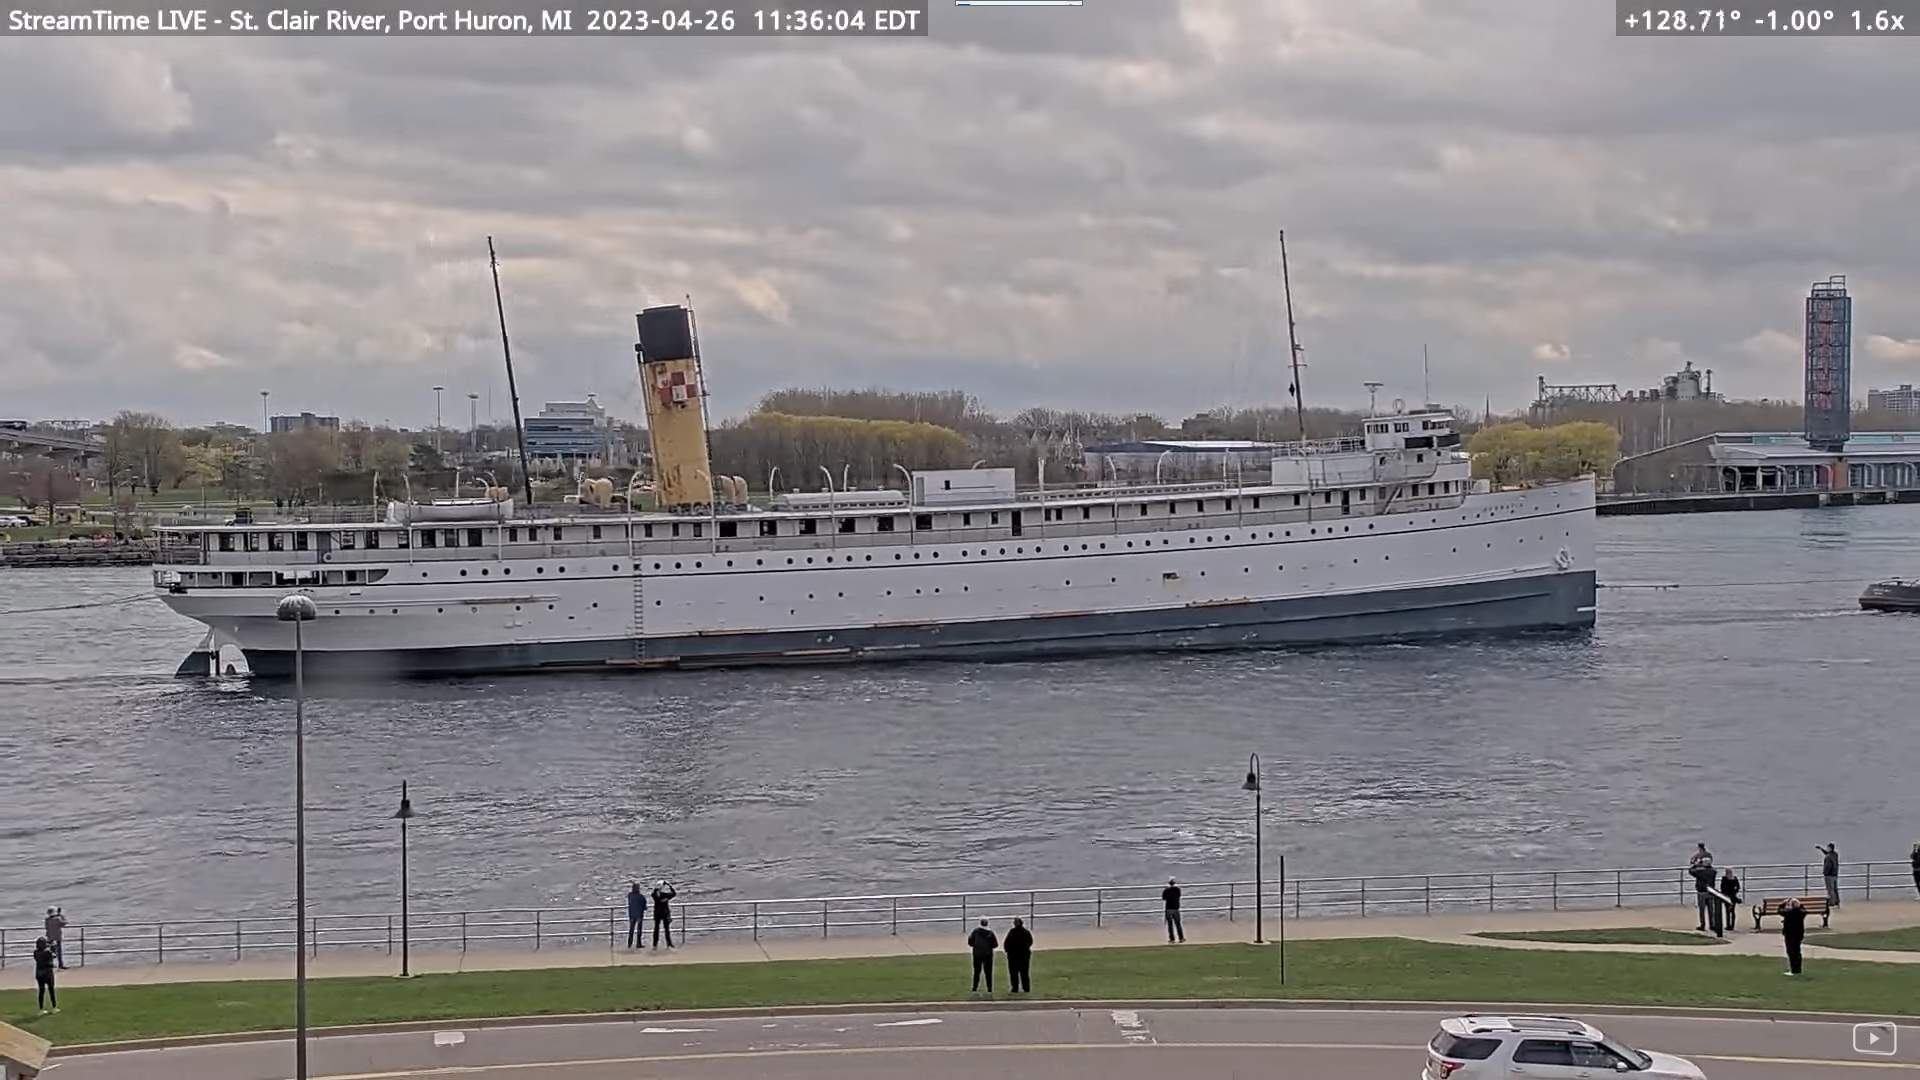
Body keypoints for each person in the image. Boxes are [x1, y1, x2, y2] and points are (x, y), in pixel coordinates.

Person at [1689, 856, 1719, 935]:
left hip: (1701, 892)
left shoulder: (1700, 872)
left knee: (1702, 910)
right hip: (1711, 892)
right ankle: (1712, 924)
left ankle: (1703, 925)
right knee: (1711, 910)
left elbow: (1691, 871)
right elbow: (1714, 870)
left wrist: (1696, 865)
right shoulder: (1713, 871)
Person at [967, 918, 998, 994]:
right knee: (988, 973)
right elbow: (995, 944)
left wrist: (976, 946)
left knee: (976, 972)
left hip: (977, 954)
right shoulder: (990, 933)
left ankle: (974, 988)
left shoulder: (975, 931)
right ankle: (989, 989)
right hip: (988, 955)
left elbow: (970, 942)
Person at [1004, 916, 1033, 994]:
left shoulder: (1012, 932)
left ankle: (1015, 988)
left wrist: (1007, 951)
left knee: (1014, 973)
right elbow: (1030, 942)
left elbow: (1006, 943)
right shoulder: (1026, 932)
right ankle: (1026, 988)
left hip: (1013, 956)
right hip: (1024, 955)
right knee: (1024, 972)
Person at [1780, 896, 1807, 976]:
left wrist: (1783, 904)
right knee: (1797, 951)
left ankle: (1793, 970)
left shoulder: (1789, 913)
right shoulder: (1802, 913)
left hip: (1790, 934)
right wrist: (1799, 904)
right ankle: (1798, 969)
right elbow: (1803, 909)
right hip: (1799, 934)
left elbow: (1779, 911)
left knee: (1791, 951)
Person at [33, 936, 57, 1013]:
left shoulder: (35, 952)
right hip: (48, 973)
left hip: (39, 973)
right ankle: (54, 1007)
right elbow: (54, 956)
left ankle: (41, 1009)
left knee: (41, 991)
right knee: (51, 990)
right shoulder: (47, 952)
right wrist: (53, 948)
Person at [650, 880, 678, 949]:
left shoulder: (654, 895)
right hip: (665, 914)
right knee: (666, 930)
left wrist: (657, 887)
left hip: (657, 914)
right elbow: (674, 893)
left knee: (656, 929)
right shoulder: (665, 895)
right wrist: (669, 885)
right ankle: (669, 943)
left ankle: (655, 944)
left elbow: (653, 893)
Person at [1718, 866, 1742, 933]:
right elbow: (1738, 887)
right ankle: (1732, 925)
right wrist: (1735, 892)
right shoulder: (1735, 878)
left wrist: (1724, 894)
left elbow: (1722, 888)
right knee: (1733, 911)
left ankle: (1728, 925)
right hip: (1733, 897)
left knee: (1727, 911)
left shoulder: (1724, 879)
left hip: (1727, 897)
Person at [1162, 878, 1184, 943]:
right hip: (1176, 909)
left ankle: (1172, 939)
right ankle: (1181, 938)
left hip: (1168, 909)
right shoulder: (1177, 890)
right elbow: (1179, 895)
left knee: (1170, 925)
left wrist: (1165, 889)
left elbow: (1163, 898)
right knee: (1178, 924)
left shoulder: (1167, 890)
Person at [1818, 843, 1840, 907]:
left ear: (1830, 848)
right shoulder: (1835, 854)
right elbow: (1827, 853)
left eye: (1828, 847)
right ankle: (1837, 901)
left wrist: (1825, 873)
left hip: (1829, 875)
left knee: (1830, 889)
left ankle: (1831, 902)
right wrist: (1821, 849)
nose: (1827, 848)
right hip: (1835, 874)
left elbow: (1827, 866)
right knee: (1835, 889)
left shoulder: (1828, 857)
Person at [626, 882, 645, 949]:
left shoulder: (630, 895)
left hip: (631, 914)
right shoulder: (640, 896)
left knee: (631, 930)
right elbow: (644, 905)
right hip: (639, 914)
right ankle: (638, 943)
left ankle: (629, 943)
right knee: (639, 930)